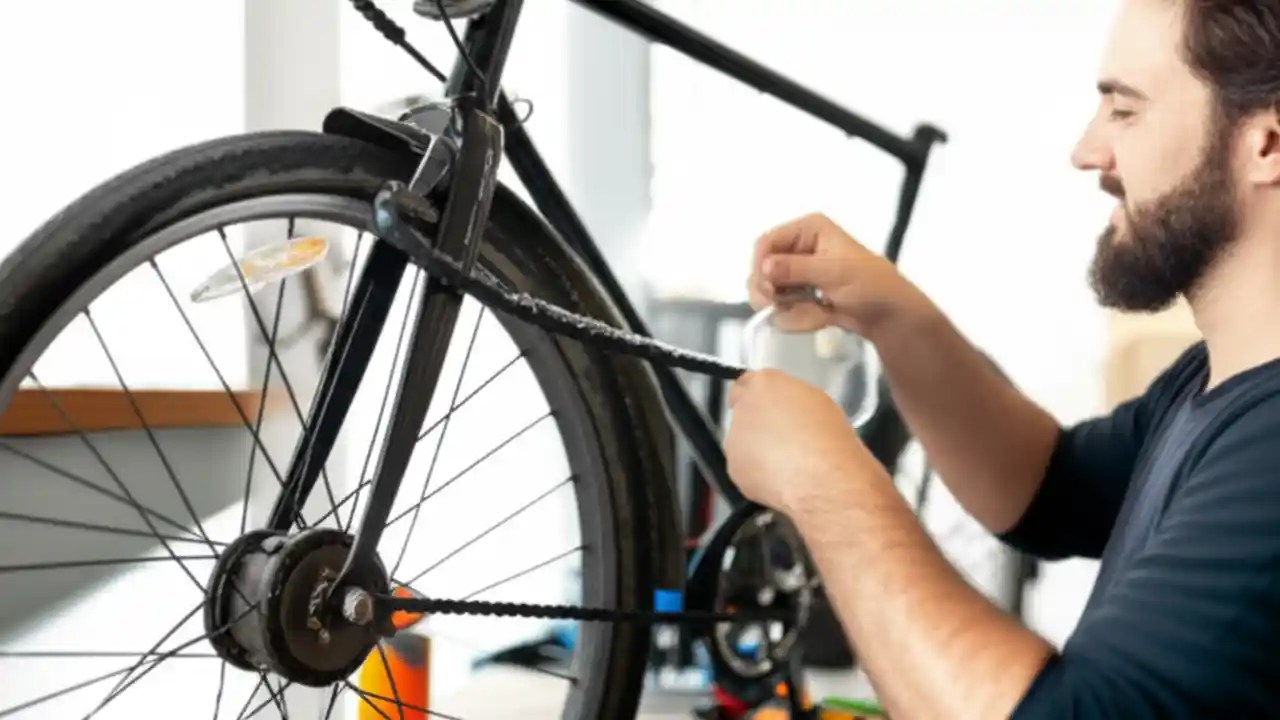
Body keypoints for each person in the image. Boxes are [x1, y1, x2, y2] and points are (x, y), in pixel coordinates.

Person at [723, 0, 1280, 717]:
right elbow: (1052, 491)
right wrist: (894, 313)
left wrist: (821, 481)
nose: (1087, 150)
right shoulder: (1217, 380)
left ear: (1266, 144)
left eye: (1125, 110)